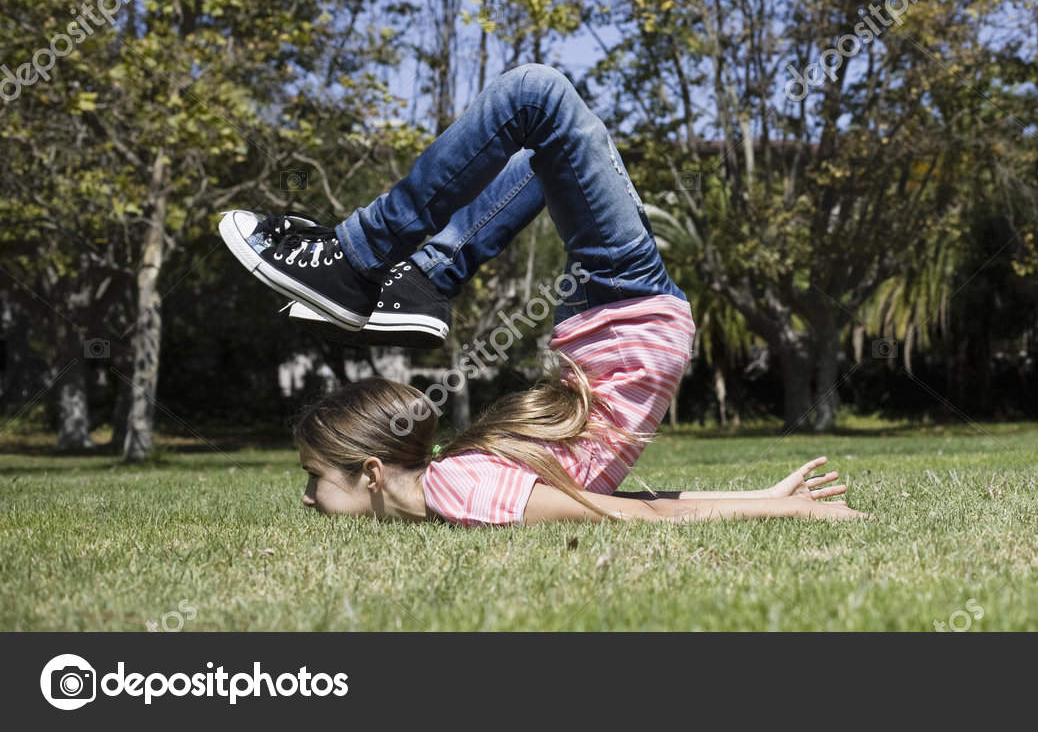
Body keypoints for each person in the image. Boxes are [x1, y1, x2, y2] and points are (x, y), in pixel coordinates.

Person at [219, 63, 868, 524]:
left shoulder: (462, 481)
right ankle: (365, 257)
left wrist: (764, 493)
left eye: (314, 476)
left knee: (543, 152)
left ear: (372, 470)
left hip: (621, 325)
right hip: (624, 322)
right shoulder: (464, 488)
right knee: (538, 94)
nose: (307, 495)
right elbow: (635, 516)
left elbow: (632, 506)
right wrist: (784, 506)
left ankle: (416, 277)